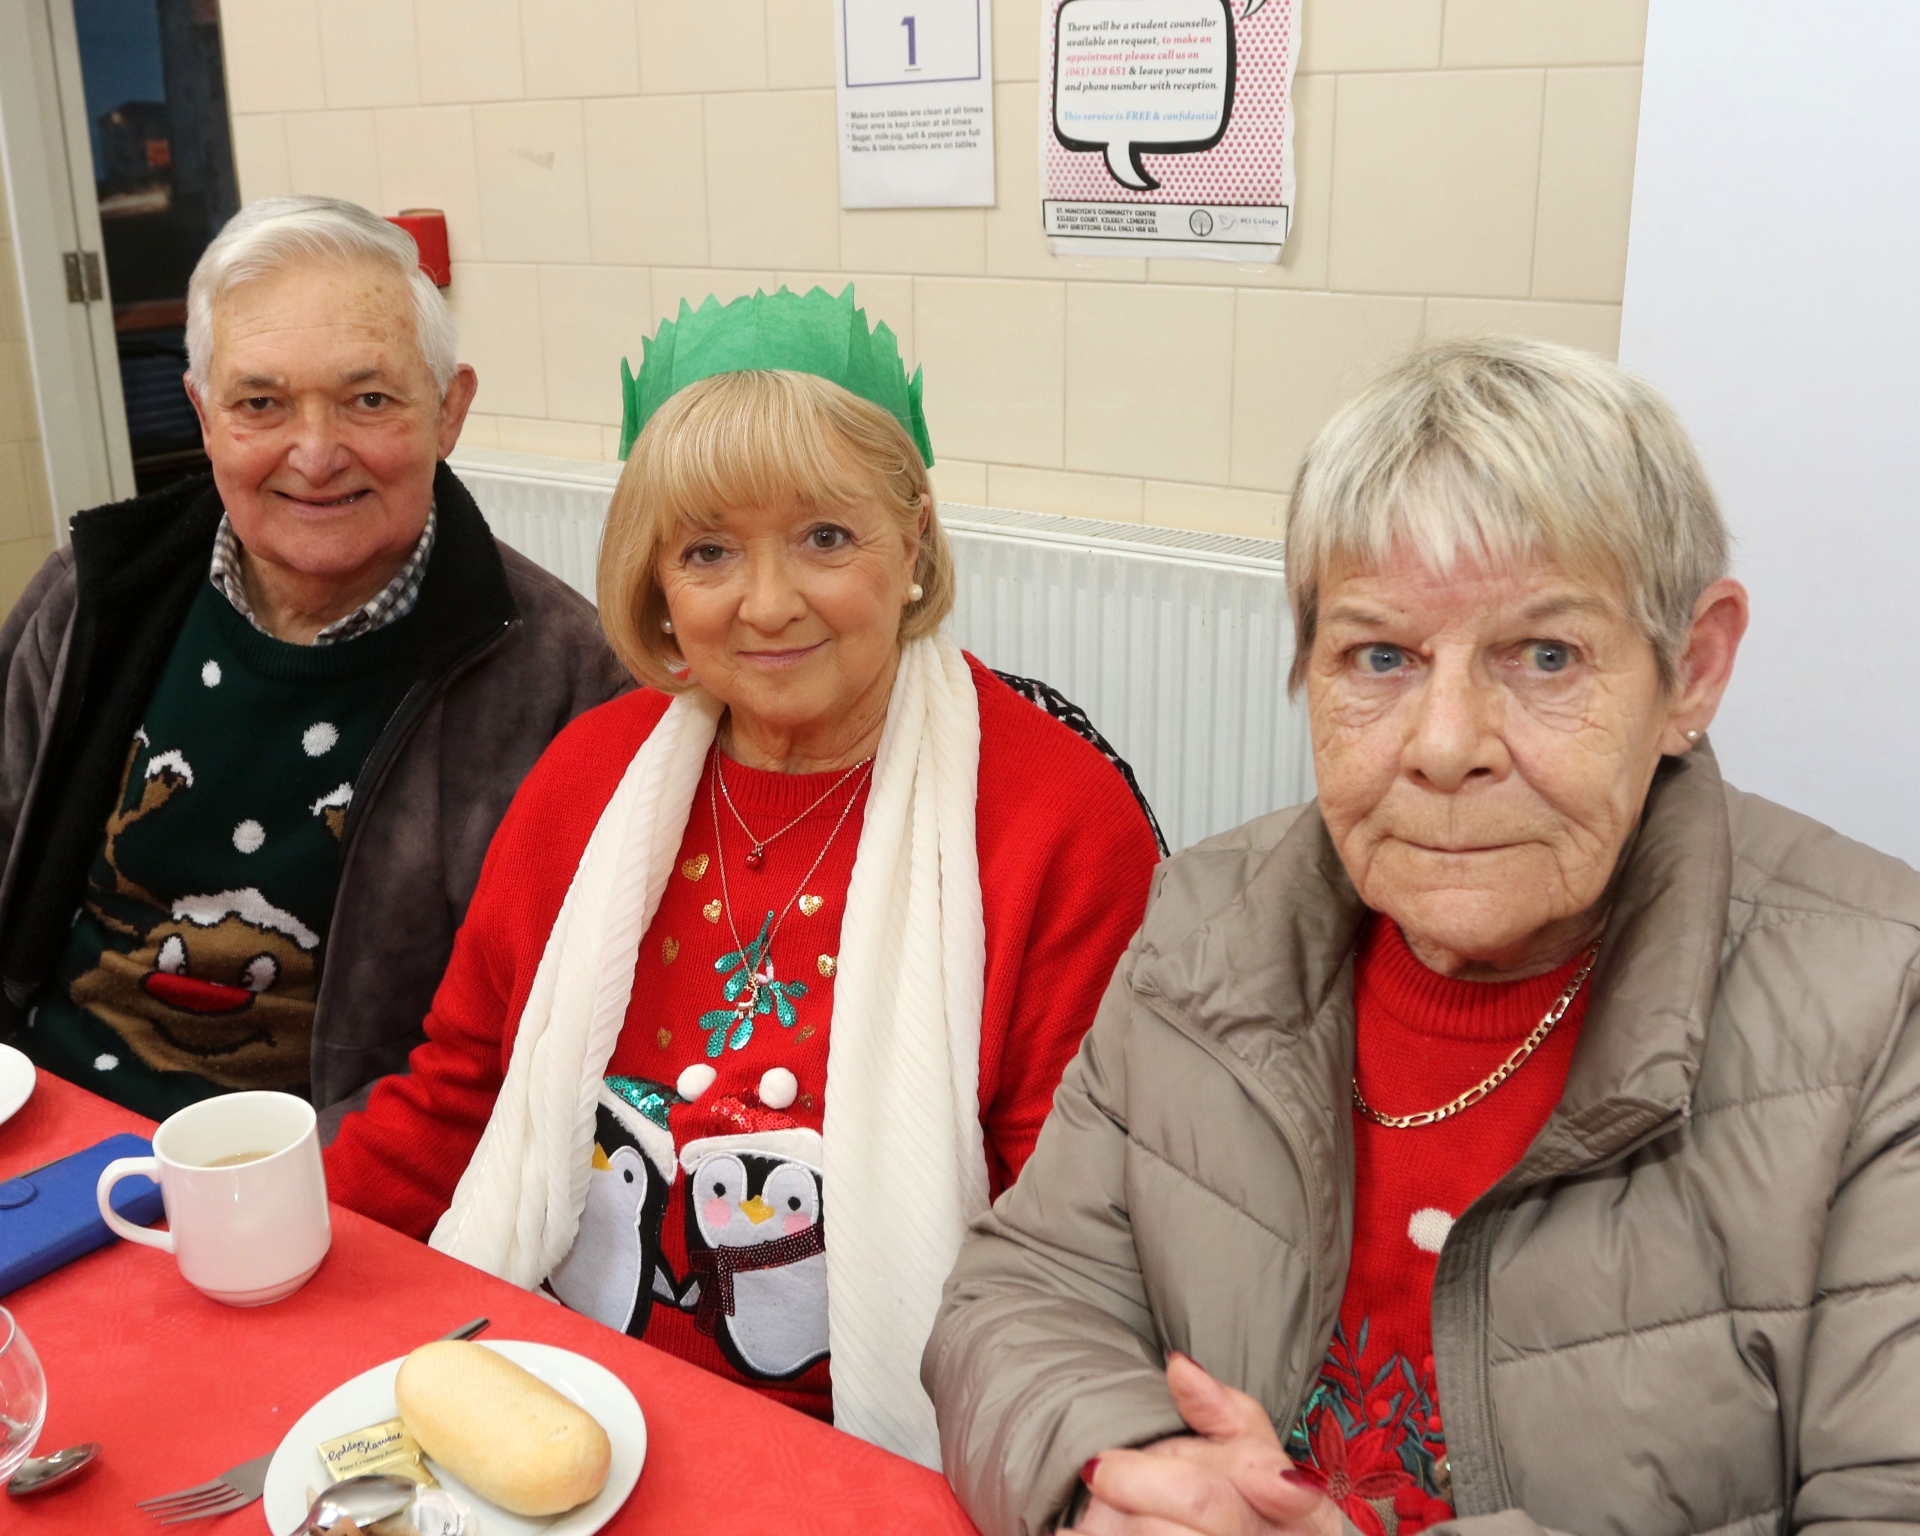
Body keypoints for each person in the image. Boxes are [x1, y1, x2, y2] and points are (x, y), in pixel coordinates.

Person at [924, 337, 1920, 1536]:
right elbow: (1023, 1294)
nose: (1446, 745)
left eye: (1545, 656)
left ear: (1691, 672)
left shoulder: (1882, 1004)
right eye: (1381, 656)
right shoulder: (1205, 924)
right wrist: (1133, 1483)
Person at [325, 286, 1164, 1466]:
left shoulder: (1058, 822)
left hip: (871, 1445)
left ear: (914, 539)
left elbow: (1069, 1248)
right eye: (709, 551)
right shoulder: (588, 777)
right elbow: (461, 1090)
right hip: (560, 1395)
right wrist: (290, 1237)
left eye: (826, 537)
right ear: (658, 580)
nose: (767, 605)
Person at [0, 196, 628, 1127]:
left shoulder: (567, 682)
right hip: (41, 1118)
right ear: (203, 415)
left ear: (449, 411)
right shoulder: (91, 601)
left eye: (368, 400)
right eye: (261, 403)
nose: (317, 453)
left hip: (332, 1171)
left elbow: (531, 1051)